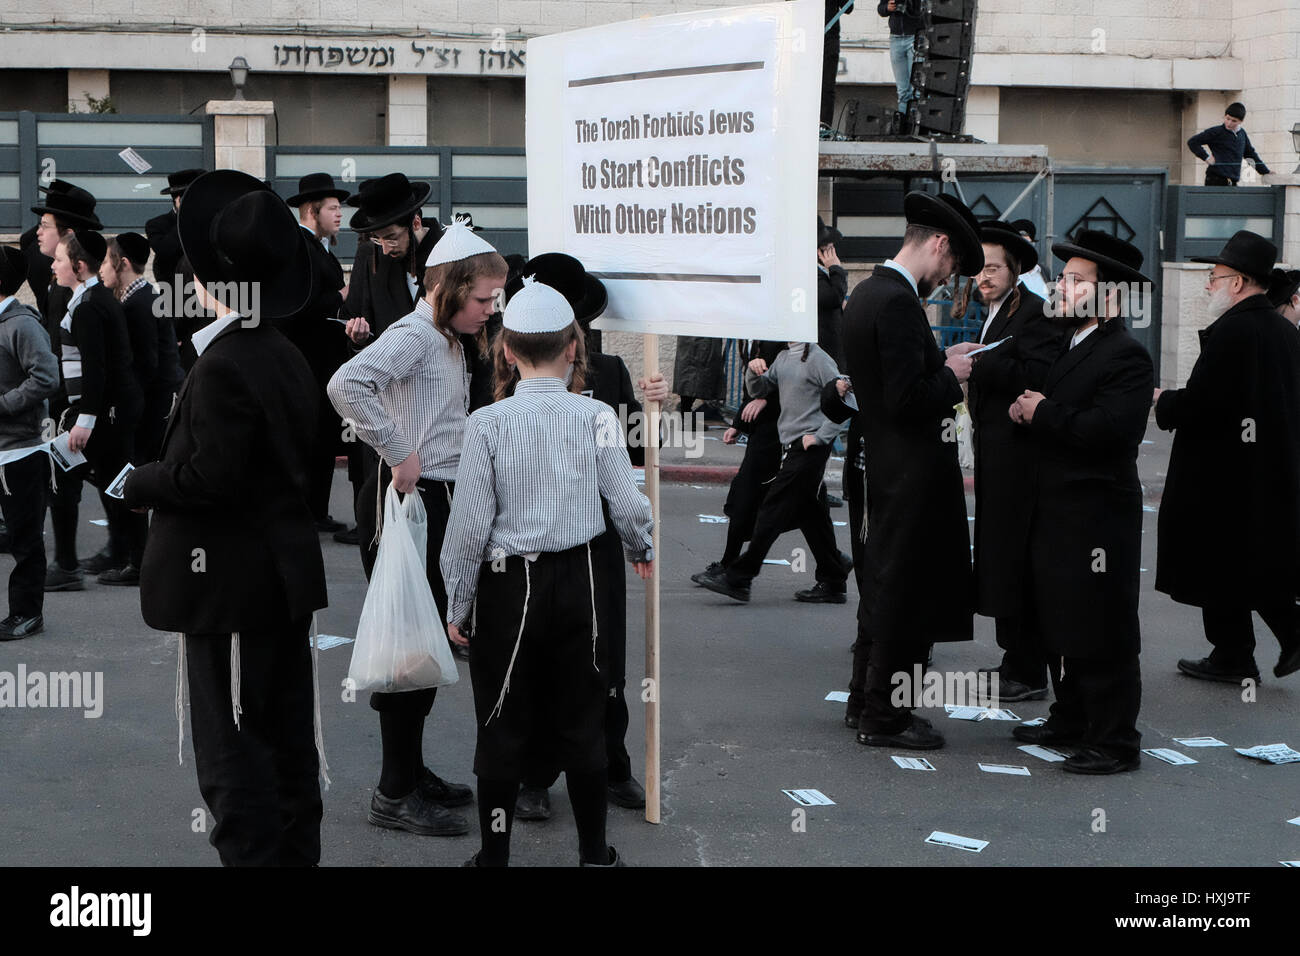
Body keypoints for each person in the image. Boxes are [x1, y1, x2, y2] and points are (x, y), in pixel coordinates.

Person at [123, 170, 328, 866]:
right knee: (284, 749)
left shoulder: (228, 364)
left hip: (234, 593)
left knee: (236, 761)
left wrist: (141, 480)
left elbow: (213, 477)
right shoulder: (281, 352)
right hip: (270, 584)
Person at [440, 278, 654, 867]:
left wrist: (458, 602)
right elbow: (627, 501)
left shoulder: (486, 423)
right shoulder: (598, 416)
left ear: (506, 350)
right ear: (572, 348)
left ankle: (495, 855)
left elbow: (468, 527)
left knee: (502, 721)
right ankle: (592, 854)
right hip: (581, 581)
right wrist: (641, 544)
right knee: (583, 720)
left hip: (509, 586)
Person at [328, 218, 502, 837]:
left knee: (422, 643)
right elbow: (346, 383)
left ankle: (412, 771)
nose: (490, 309)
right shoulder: (416, 336)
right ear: (452, 289)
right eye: (482, 298)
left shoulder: (445, 338)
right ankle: (393, 791)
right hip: (409, 503)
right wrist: (399, 451)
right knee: (408, 649)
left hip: (434, 499)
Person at [495, 253, 667, 823]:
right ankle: (536, 775)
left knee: (604, 663)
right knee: (538, 667)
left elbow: (638, 454)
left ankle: (610, 760)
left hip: (594, 544)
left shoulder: (612, 373)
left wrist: (656, 409)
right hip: (528, 547)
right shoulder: (506, 382)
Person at [837, 191, 984, 746]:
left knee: (883, 586)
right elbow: (907, 397)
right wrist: (954, 375)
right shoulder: (898, 301)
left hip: (885, 468)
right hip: (911, 474)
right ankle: (886, 715)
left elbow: (885, 379)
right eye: (951, 267)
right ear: (939, 245)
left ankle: (863, 702)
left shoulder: (869, 292)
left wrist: (938, 361)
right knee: (905, 594)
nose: (948, 281)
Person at [1009, 229, 1154, 774]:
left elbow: (1112, 430)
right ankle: (1070, 717)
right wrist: (1026, 409)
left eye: (1075, 280)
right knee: (1060, 618)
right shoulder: (1071, 340)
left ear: (1110, 295)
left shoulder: (1127, 355)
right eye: (1063, 277)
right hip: (1058, 509)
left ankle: (1115, 740)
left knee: (1102, 626)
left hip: (1097, 515)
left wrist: (1040, 412)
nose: (1061, 287)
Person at [1155, 231, 1300, 683]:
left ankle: (1238, 653)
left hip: (1223, 475)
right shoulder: (1281, 329)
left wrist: (1163, 402)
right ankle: (1238, 653)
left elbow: (1205, 405)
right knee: (1241, 563)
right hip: (1264, 471)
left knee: (1220, 559)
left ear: (1237, 283)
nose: (1208, 286)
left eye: (1214, 277)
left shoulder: (1233, 331)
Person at [964, 221, 1064, 702]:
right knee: (1001, 558)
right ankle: (1014, 660)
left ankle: (1027, 669)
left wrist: (980, 362)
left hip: (1020, 459)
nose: (981, 278)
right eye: (978, 270)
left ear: (1015, 270)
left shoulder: (1037, 312)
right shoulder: (1000, 309)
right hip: (996, 454)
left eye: (991, 269)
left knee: (1016, 560)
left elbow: (1037, 372)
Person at [694, 340, 851, 603]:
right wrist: (752, 371)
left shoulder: (818, 358)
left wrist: (821, 437)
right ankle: (833, 577)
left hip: (808, 448)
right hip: (791, 445)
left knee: (772, 508)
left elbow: (844, 396)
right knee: (812, 515)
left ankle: (739, 577)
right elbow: (761, 389)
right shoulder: (783, 357)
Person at [336, 173, 444, 547]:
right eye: (376, 239)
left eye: (391, 237)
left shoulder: (450, 253)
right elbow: (357, 315)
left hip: (436, 413)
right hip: (386, 411)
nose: (384, 247)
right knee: (379, 523)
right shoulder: (371, 255)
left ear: (416, 223)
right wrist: (357, 339)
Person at [50, 230, 144, 586]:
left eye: (59, 260)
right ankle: (126, 557)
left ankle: (69, 565)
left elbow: (96, 367)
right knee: (113, 481)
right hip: (106, 410)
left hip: (104, 413)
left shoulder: (89, 306)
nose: (54, 267)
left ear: (79, 265)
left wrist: (85, 420)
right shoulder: (90, 299)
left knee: (101, 479)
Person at [28, 180, 100, 592]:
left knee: (87, 475)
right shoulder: (57, 280)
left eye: (47, 224)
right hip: (68, 399)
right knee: (67, 477)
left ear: (69, 235)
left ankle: (76, 562)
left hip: (80, 402)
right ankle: (75, 559)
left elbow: (90, 358)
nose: (39, 231)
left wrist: (81, 410)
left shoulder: (82, 293)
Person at [284, 173, 353, 535]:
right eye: (332, 208)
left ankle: (317, 508)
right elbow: (304, 304)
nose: (339, 214)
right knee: (312, 434)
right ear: (313, 210)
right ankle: (307, 508)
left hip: (323, 355)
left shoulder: (320, 246)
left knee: (323, 434)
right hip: (309, 356)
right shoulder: (301, 246)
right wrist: (343, 296)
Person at [0, 246, 59, 640]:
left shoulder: (22, 325)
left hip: (19, 450)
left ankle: (27, 613)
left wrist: (3, 405)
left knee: (25, 541)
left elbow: (46, 378)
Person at [694, 338, 787, 581]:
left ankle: (732, 567)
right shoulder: (748, 337)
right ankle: (833, 567)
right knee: (808, 507)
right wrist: (739, 425)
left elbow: (793, 377)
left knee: (746, 494)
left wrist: (766, 398)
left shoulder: (775, 336)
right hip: (762, 426)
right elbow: (752, 389)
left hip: (779, 428)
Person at [99, 232, 183, 467]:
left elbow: (146, 364)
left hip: (154, 409)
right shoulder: (142, 296)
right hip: (159, 403)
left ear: (122, 264)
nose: (101, 269)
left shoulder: (138, 304)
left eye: (106, 261)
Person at [145, 168, 207, 365]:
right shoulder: (158, 225)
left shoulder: (207, 221)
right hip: (178, 308)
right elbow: (165, 250)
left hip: (208, 306)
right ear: (178, 199)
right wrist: (185, 218)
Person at [1187, 103, 1271, 186]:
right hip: (1215, 180)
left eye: (1234, 121)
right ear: (1224, 116)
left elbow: (1250, 155)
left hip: (1233, 181)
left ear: (1241, 121)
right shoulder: (1216, 132)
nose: (1229, 123)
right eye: (1227, 119)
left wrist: (1265, 171)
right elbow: (1193, 142)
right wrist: (1207, 157)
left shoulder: (1242, 134)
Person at [877, 0, 923, 125]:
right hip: (896, 38)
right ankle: (903, 126)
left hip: (914, 36)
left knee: (917, 88)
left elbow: (923, 10)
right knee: (903, 91)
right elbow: (880, 8)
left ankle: (918, 125)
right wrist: (887, 7)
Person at [672, 334, 726, 431]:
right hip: (702, 336)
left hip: (692, 334)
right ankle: (687, 416)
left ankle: (686, 414)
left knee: (689, 376)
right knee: (694, 377)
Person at [817, 217, 848, 366]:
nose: (833, 251)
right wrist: (837, 269)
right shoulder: (814, 275)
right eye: (828, 248)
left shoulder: (825, 273)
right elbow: (833, 297)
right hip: (825, 353)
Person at [1010, 219, 1050, 299]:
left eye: (1029, 243)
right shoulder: (1007, 272)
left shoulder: (1042, 270)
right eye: (1021, 244)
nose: (1025, 248)